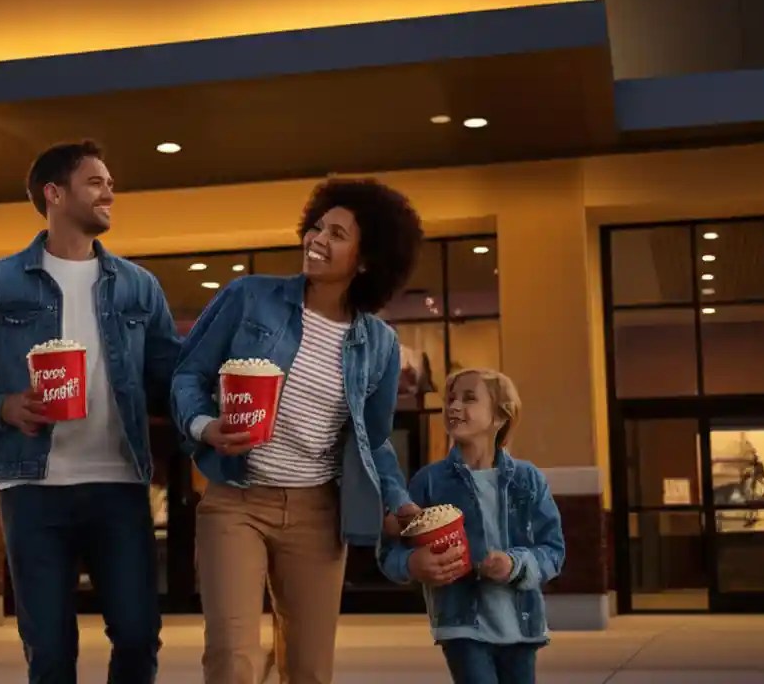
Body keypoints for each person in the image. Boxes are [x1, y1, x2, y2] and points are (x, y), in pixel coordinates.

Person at [0, 140, 180, 684]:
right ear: (54, 194)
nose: (110, 192)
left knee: (138, 637)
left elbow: (171, 376)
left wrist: (216, 408)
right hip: (32, 488)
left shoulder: (139, 286)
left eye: (109, 182)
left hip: (119, 483)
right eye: (95, 182)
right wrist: (2, 406)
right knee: (48, 650)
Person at [171, 177, 425, 684]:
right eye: (316, 226)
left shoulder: (379, 345)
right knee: (231, 658)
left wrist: (399, 502)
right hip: (236, 500)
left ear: (367, 257)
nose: (318, 239)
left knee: (309, 669)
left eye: (337, 233)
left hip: (318, 512)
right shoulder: (250, 298)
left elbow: (372, 441)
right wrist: (204, 426)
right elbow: (188, 373)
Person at [380, 369, 565, 684]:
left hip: (522, 626)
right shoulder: (429, 481)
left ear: (499, 415)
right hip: (460, 625)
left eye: (468, 399)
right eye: (450, 399)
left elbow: (553, 551)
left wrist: (514, 564)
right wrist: (412, 563)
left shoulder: (528, 479)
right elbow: (390, 553)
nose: (453, 407)